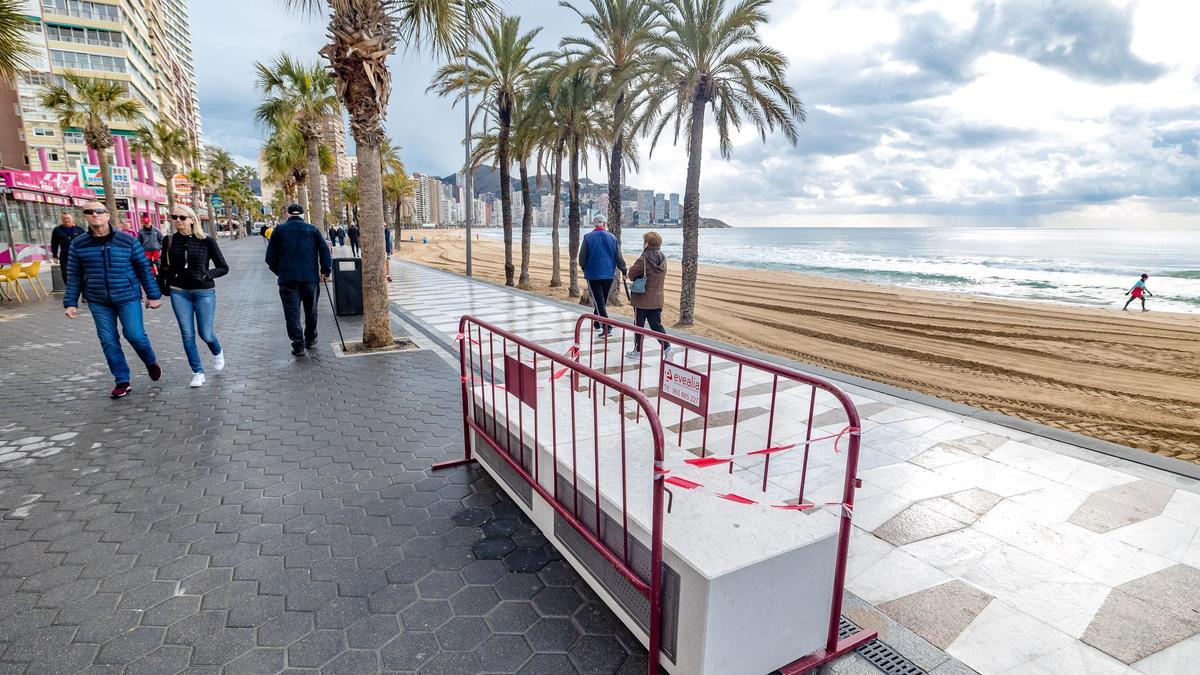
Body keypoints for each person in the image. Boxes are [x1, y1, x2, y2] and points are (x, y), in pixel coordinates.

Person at [63, 200, 163, 398]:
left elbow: (143, 268)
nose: (94, 214)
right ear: (84, 216)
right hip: (98, 300)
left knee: (135, 335)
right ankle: (122, 381)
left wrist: (153, 295)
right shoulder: (78, 244)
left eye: (99, 211)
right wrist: (70, 302)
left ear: (108, 215)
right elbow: (74, 274)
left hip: (127, 296)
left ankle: (150, 361)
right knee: (108, 340)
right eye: (89, 212)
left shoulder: (127, 240)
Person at [158, 205, 229, 388]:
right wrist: (160, 289)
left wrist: (207, 275)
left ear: (192, 219)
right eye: (174, 217)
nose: (178, 221)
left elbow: (223, 267)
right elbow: (164, 267)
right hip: (179, 292)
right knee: (187, 334)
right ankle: (198, 372)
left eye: (182, 217)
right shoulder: (169, 240)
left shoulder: (206, 240)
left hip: (204, 292)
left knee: (205, 333)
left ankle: (217, 351)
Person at [265, 204, 332, 356]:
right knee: (311, 311)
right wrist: (325, 270)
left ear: (288, 215)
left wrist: (280, 271)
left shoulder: (279, 230)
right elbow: (324, 250)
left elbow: (270, 258)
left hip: (288, 279)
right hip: (310, 279)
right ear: (303, 215)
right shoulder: (312, 230)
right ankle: (310, 338)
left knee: (292, 313)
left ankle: (298, 344)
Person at [625, 231, 672, 360]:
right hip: (657, 298)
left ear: (646, 244)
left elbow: (631, 274)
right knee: (656, 325)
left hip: (642, 299)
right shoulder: (663, 258)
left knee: (638, 325)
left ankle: (637, 351)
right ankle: (667, 347)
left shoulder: (643, 258)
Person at [578, 214, 626, 338]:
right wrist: (624, 270)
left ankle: (607, 327)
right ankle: (597, 324)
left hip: (593, 274)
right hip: (609, 274)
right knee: (602, 300)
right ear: (605, 224)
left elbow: (582, 257)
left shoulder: (588, 237)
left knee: (599, 301)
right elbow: (618, 256)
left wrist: (584, 267)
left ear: (594, 224)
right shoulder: (612, 237)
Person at [50, 211, 84, 288]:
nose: (66, 220)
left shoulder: (79, 229)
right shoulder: (57, 230)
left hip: (78, 255)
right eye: (64, 218)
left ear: (72, 219)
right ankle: (69, 288)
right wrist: (55, 255)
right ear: (61, 219)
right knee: (65, 273)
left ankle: (82, 288)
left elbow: (86, 241)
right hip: (65, 255)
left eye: (68, 218)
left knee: (80, 272)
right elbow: (54, 243)